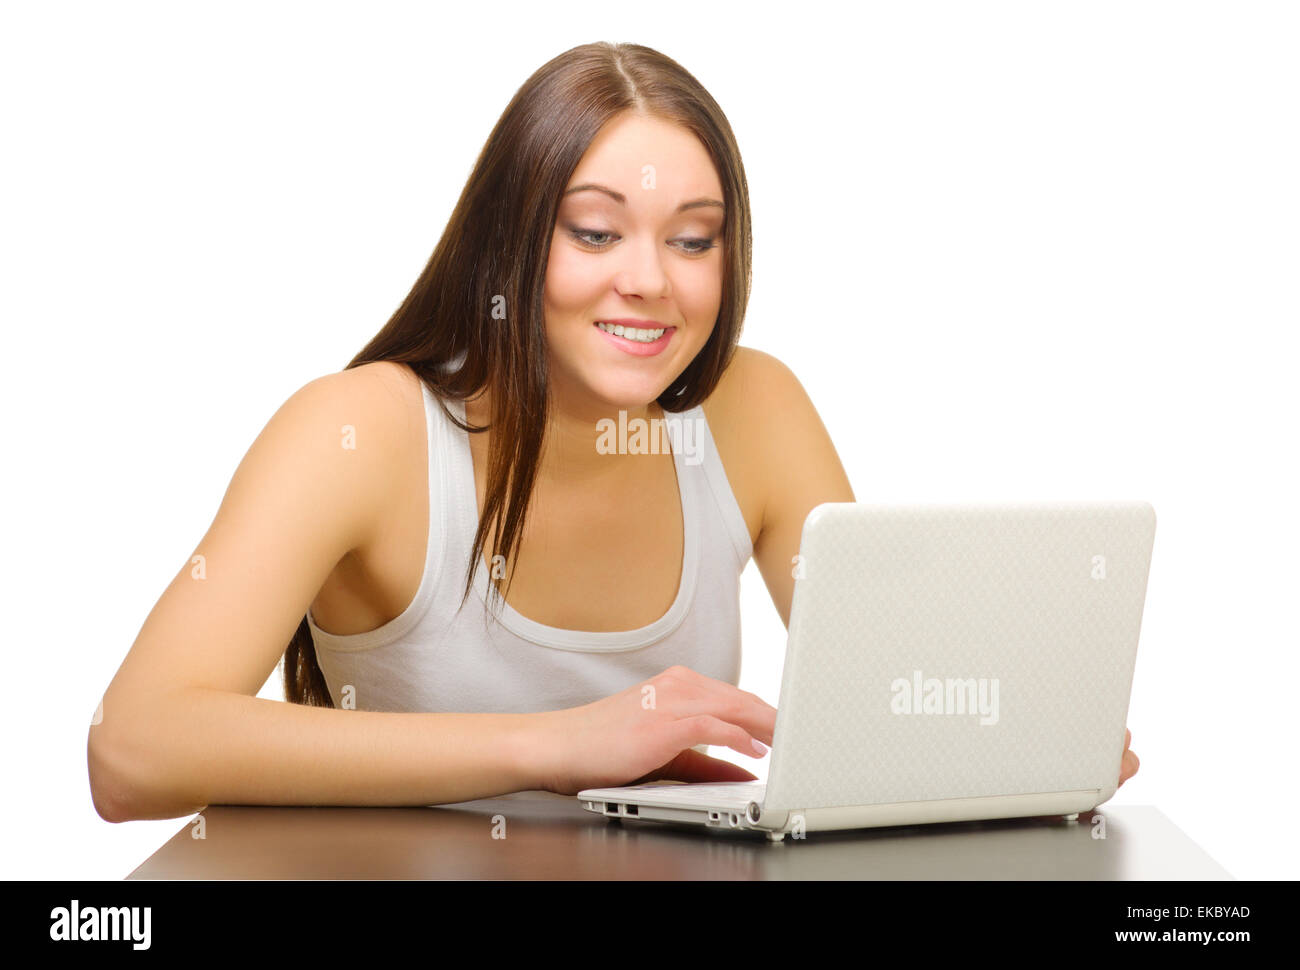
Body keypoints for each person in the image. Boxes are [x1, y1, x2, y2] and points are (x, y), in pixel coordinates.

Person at [87, 41, 1138, 823]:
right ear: (510, 240)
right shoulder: (359, 430)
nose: (649, 280)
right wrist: (559, 745)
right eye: (595, 231)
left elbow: (890, 700)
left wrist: (1013, 736)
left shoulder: (753, 408)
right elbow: (131, 749)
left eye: (693, 240)